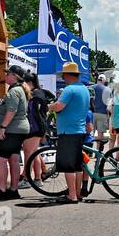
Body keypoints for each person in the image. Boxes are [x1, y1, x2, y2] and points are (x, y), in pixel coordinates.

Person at [50, 61, 91, 203]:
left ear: (68, 75)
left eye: (64, 75)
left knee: (68, 166)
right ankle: (77, 193)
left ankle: (72, 195)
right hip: (79, 130)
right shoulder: (84, 89)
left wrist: (50, 106)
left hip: (68, 131)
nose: (63, 78)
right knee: (77, 165)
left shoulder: (69, 89)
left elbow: (59, 106)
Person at [0, 66, 30, 200]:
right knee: (14, 159)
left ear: (15, 76)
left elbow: (11, 110)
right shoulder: (20, 90)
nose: (6, 76)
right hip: (19, 129)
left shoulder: (14, 91)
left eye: (8, 74)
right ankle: (13, 190)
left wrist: (3, 127)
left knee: (0, 159)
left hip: (12, 130)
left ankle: (1, 190)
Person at [91, 74, 112, 148]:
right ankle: (97, 150)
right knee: (100, 134)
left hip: (92, 113)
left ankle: (89, 150)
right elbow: (109, 104)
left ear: (97, 80)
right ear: (104, 81)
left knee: (90, 132)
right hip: (103, 114)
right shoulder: (108, 90)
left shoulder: (91, 88)